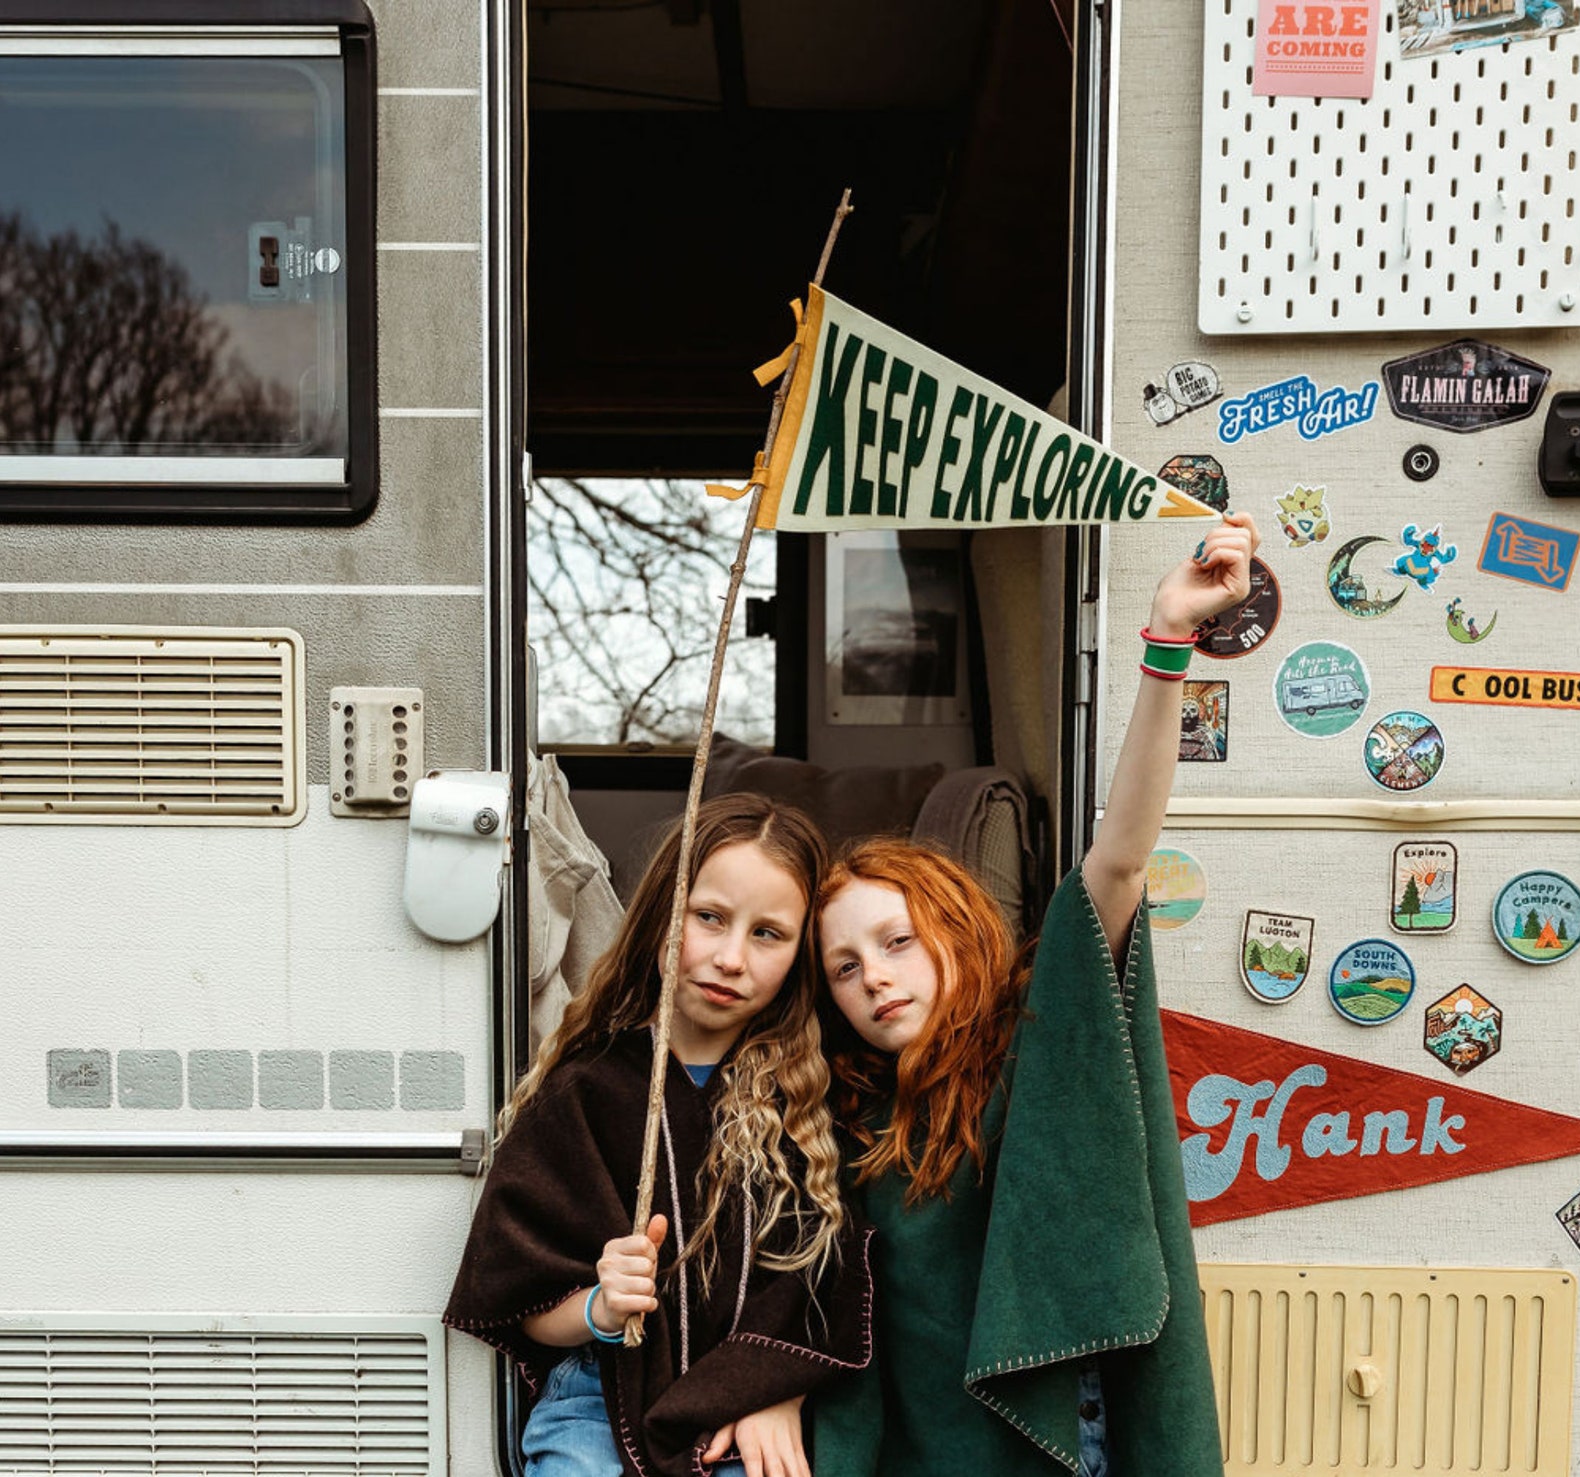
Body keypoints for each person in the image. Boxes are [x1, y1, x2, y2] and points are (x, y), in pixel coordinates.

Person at [812, 512, 1259, 1477]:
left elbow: (1122, 858)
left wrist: (1168, 639)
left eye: (896, 941)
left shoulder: (1032, 1035)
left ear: (955, 933)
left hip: (1060, 1436)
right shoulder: (842, 1111)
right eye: (844, 967)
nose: (874, 976)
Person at [445, 794, 872, 1477]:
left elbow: (826, 1302)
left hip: (740, 1404)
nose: (731, 957)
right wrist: (600, 1305)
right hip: (596, 1398)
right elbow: (524, 1304)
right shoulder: (587, 1087)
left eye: (768, 933)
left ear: (802, 956)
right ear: (661, 918)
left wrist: (780, 1387)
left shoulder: (810, 1106)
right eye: (709, 917)